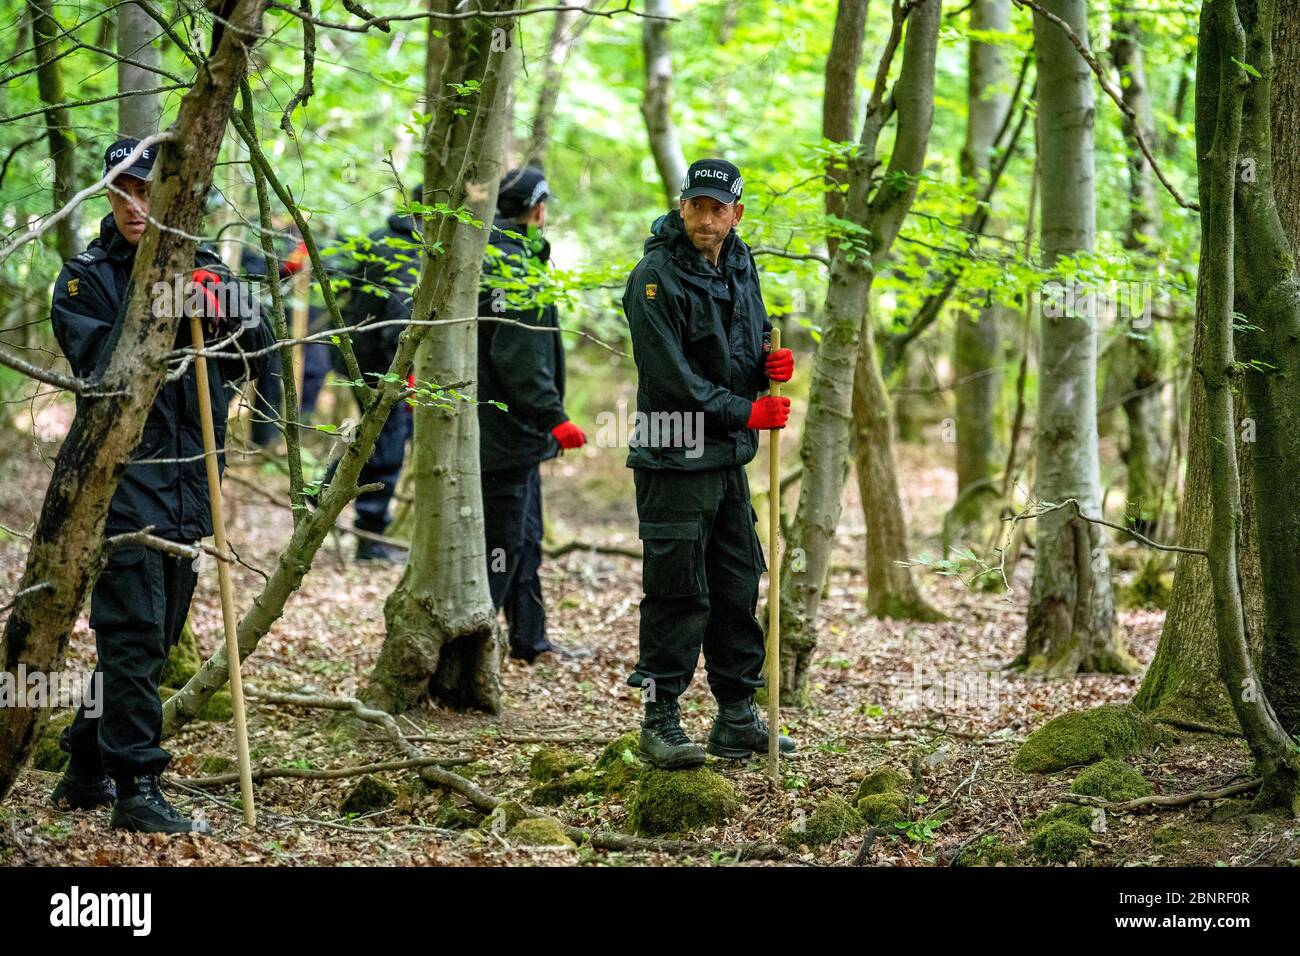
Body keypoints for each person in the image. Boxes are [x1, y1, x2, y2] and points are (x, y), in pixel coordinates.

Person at [48, 138, 274, 832]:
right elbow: (103, 367)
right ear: (108, 196)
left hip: (190, 481)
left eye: (146, 190)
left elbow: (262, 350)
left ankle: (85, 759)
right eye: (122, 191)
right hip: (122, 483)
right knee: (133, 632)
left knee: (159, 631)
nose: (134, 205)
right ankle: (137, 785)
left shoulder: (210, 265)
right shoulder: (85, 278)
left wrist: (225, 306)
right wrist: (161, 303)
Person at [621, 158, 798, 768]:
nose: (705, 217)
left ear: (736, 213)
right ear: (681, 207)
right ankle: (660, 716)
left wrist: (767, 370)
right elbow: (670, 378)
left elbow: (747, 342)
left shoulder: (741, 266)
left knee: (734, 584)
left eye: (717, 207)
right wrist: (743, 412)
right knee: (677, 591)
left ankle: (736, 716)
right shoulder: (652, 279)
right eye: (695, 205)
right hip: (673, 456)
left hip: (726, 458)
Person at [476, 168, 589, 662]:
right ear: (538, 209)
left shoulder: (490, 255)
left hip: (505, 433)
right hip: (504, 433)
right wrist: (552, 416)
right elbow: (518, 355)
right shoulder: (511, 266)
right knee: (502, 546)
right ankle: (473, 648)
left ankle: (529, 639)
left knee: (523, 538)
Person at [326, 189, 421, 562]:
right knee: (386, 449)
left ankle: (319, 494)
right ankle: (368, 538)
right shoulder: (405, 251)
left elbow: (346, 288)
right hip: (383, 369)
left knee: (372, 441)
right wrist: (404, 375)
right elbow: (396, 322)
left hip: (357, 361)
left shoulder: (378, 240)